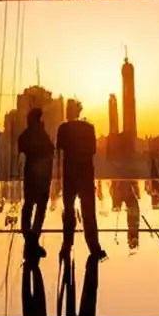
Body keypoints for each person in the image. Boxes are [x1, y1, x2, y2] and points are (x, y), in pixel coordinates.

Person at [57, 99, 106, 260]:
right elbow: (92, 150)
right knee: (88, 211)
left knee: (69, 209)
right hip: (85, 174)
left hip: (70, 174)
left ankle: (67, 244)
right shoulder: (88, 128)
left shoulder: (63, 129)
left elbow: (60, 150)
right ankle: (94, 246)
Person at [17, 107, 54, 259]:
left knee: (30, 206)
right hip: (41, 174)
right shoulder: (40, 134)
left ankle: (30, 240)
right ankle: (33, 239)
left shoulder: (27, 134)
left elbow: (22, 146)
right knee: (39, 207)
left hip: (33, 172)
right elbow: (50, 149)